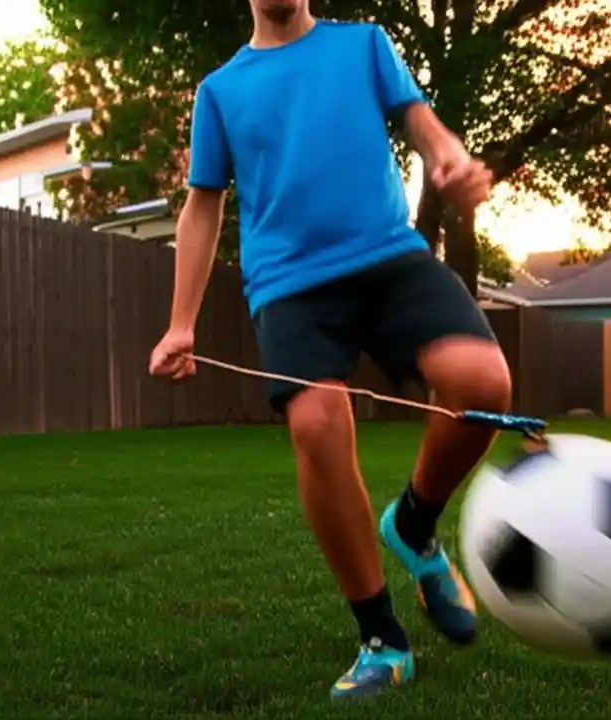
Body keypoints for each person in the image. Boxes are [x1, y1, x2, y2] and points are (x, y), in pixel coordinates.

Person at [148, 0, 512, 701]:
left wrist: (451, 160)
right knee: (316, 427)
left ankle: (414, 522)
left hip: (388, 256)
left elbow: (420, 120)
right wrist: (179, 323)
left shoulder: (364, 45)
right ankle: (381, 636)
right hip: (290, 284)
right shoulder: (220, 90)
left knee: (484, 382)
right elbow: (203, 203)